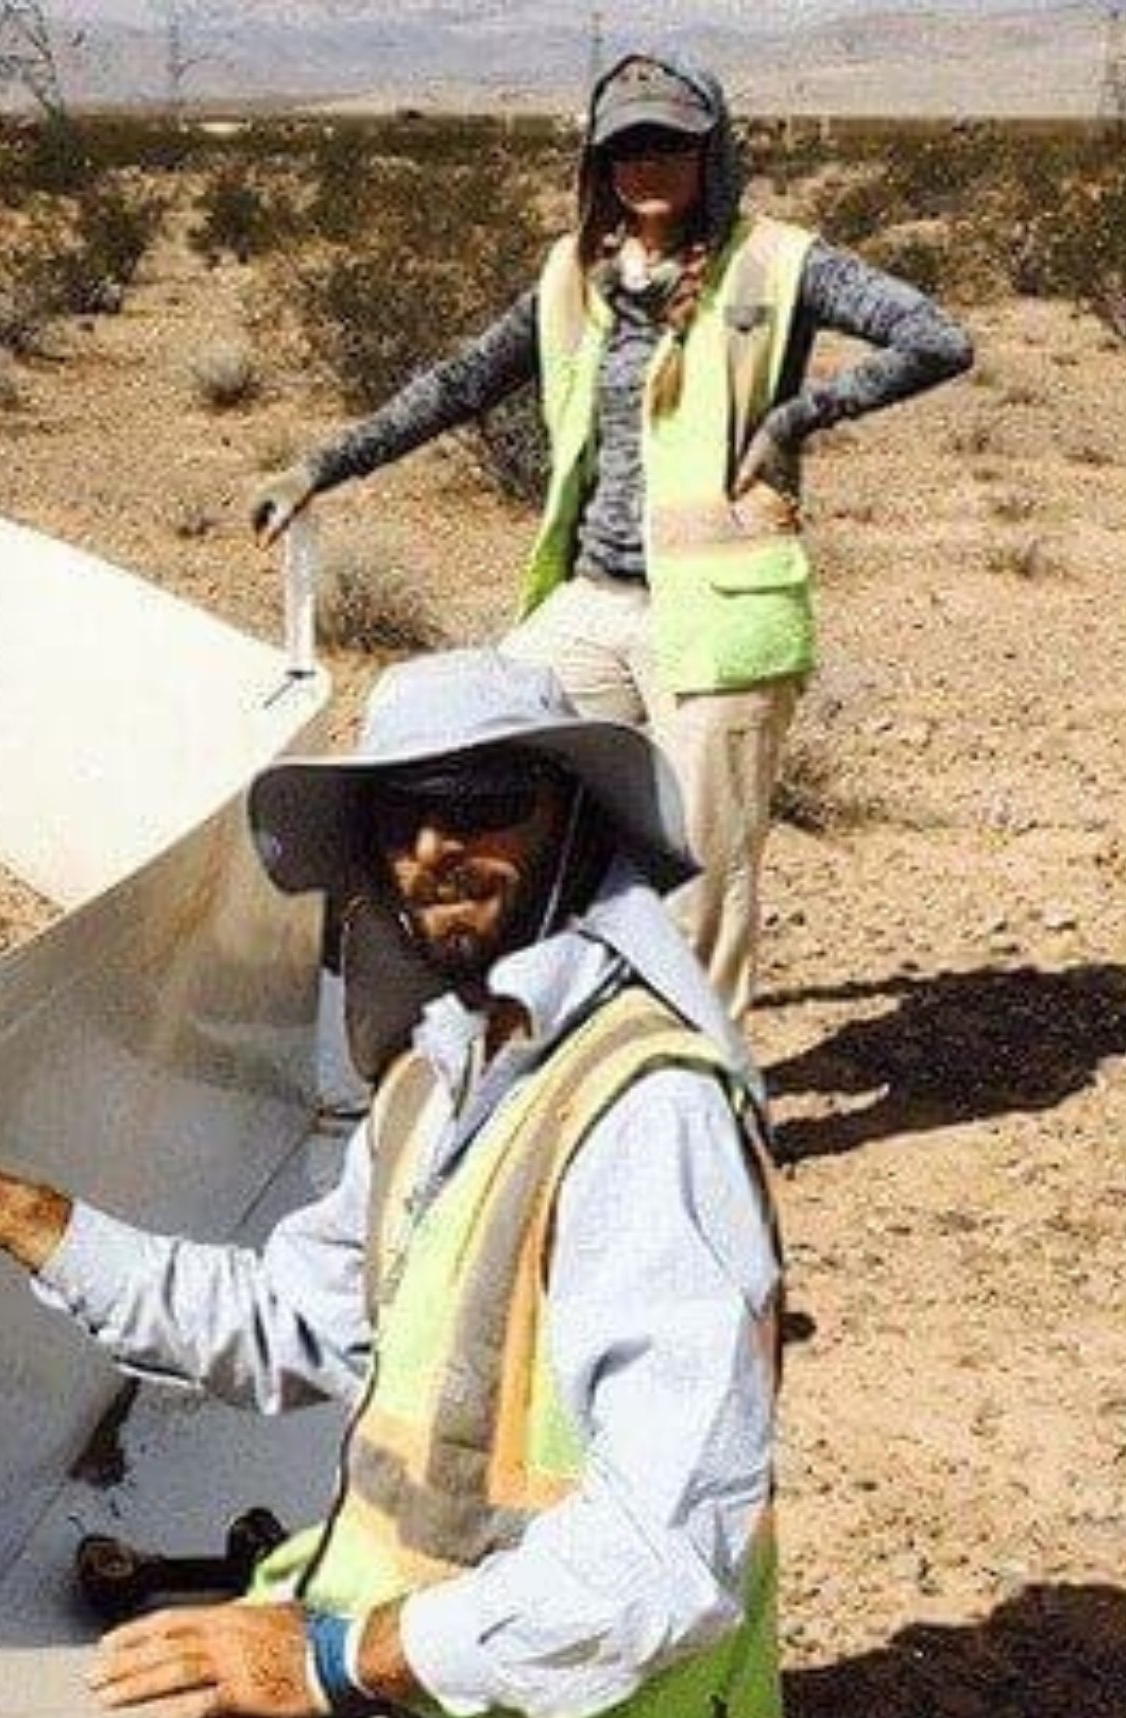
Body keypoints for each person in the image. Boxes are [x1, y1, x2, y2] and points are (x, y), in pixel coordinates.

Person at [0, 650, 785, 1718]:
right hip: (446, 1673)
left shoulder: (644, 1112)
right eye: (398, 815)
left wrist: (344, 1658)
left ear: (572, 815)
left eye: (480, 802)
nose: (431, 847)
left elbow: (673, 1559)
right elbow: (285, 1321)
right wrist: (16, 1216)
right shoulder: (453, 1072)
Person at [253, 53, 975, 1020]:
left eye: (669, 142)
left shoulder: (776, 262)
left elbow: (936, 336)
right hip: (591, 604)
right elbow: (457, 384)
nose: (646, 163)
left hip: (720, 621)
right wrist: (319, 467)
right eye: (625, 144)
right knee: (479, 772)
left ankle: (704, 1097)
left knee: (705, 874)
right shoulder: (574, 276)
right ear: (596, 160)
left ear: (711, 151)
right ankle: (513, 1028)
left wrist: (801, 415)